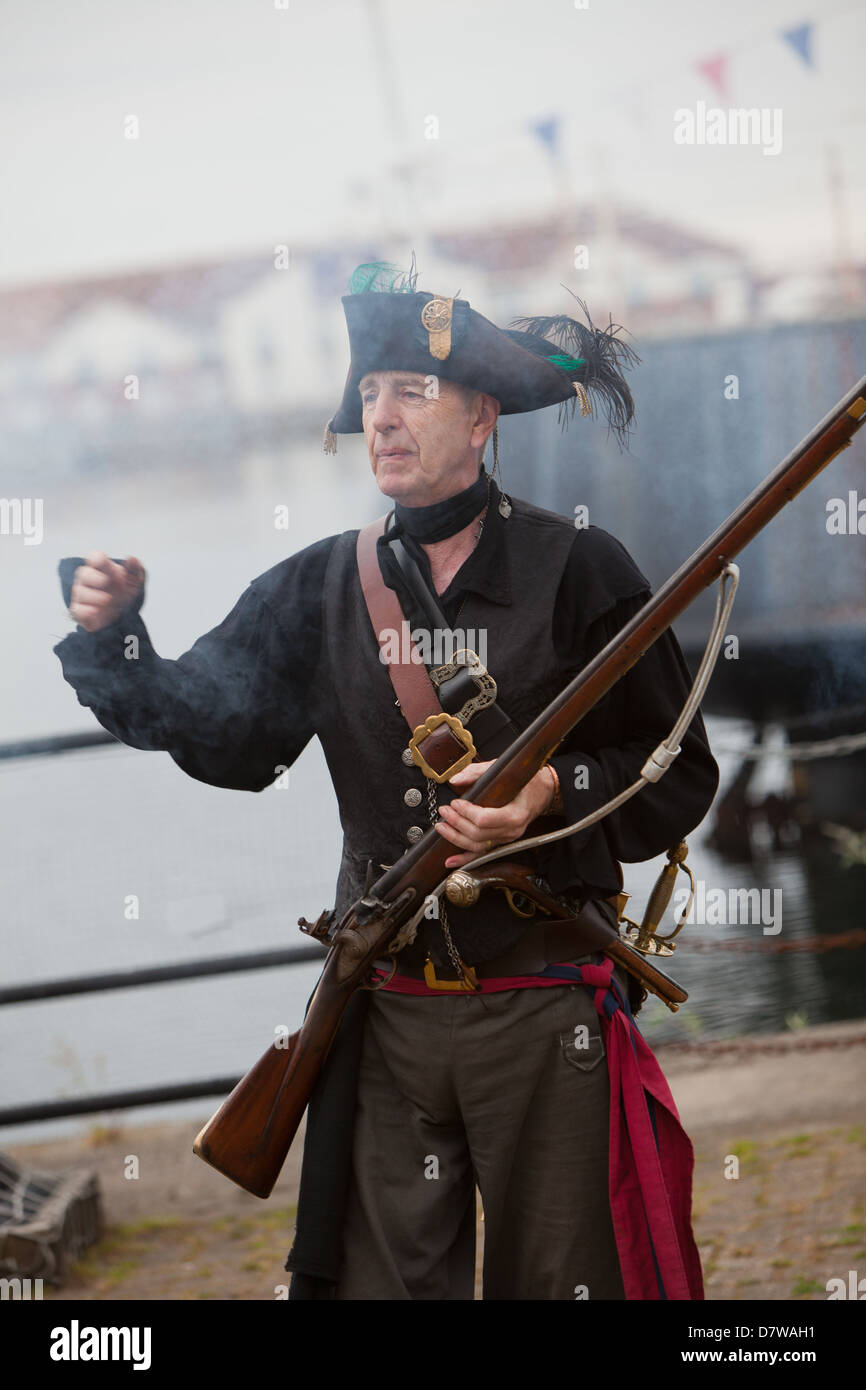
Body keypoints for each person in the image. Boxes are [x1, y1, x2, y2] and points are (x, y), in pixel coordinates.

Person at [54, 261, 719, 1301]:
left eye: (410, 390)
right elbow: (218, 733)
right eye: (368, 395)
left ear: (482, 414)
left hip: (543, 1013)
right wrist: (116, 636)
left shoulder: (582, 568)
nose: (381, 418)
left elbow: (672, 771)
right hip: (387, 1016)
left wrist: (551, 795)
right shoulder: (319, 584)